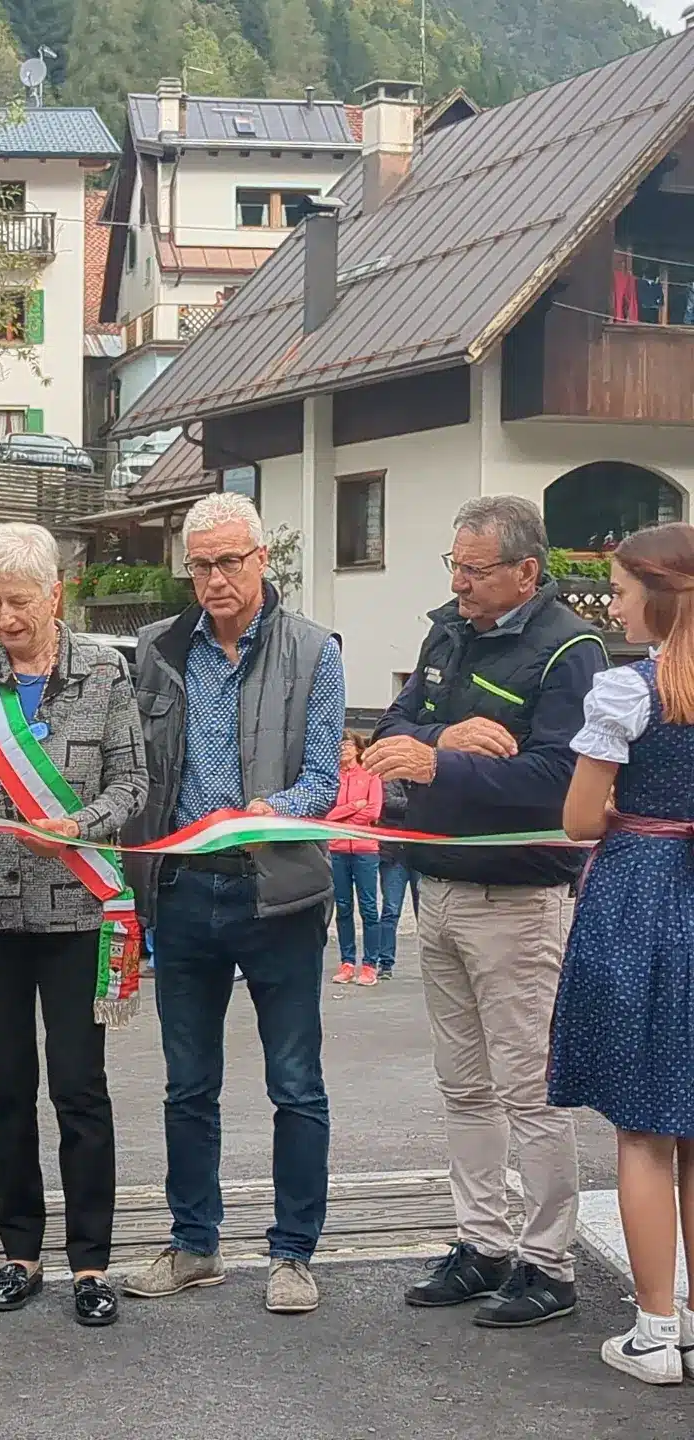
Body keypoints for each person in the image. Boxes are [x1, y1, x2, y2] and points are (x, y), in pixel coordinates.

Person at [365, 494, 605, 1328]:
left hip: (518, 899)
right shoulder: (451, 628)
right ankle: (482, 1243)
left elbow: (557, 782)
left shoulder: (570, 651)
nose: (459, 584)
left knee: (529, 1092)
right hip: (440, 886)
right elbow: (399, 723)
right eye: (454, 567)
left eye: (474, 570)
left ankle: (549, 1263)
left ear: (525, 572)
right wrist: (442, 741)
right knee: (464, 1086)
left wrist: (439, 761)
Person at [0, 522, 148, 1327]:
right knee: (5, 1090)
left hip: (76, 910)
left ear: (57, 593)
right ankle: (20, 1250)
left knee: (79, 1091)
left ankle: (92, 1262)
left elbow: (133, 784)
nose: (5, 618)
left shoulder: (107, 671)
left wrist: (85, 823)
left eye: (20, 601)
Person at [122, 491, 344, 1316]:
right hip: (183, 895)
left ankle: (292, 1254)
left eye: (228, 562)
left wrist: (269, 811)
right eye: (200, 565)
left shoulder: (315, 650)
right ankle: (194, 1244)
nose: (214, 579)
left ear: (261, 560)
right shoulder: (154, 650)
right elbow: (138, 773)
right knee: (188, 1086)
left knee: (295, 1083)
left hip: (276, 891)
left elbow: (322, 781)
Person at [549, 523, 694, 1384]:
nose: (612, 603)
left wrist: (630, 821)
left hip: (641, 897)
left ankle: (653, 1330)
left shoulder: (626, 692)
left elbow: (575, 819)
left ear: (659, 596)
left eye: (620, 589)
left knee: (644, 1132)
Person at [327, 731, 383, 987]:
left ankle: (371, 964)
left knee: (369, 908)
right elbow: (326, 815)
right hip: (337, 849)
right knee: (343, 908)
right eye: (340, 745)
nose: (343, 749)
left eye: (348, 744)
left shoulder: (371, 776)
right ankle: (347, 962)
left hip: (365, 850)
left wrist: (344, 820)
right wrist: (352, 808)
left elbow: (373, 810)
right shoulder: (331, 779)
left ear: (359, 749)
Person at [372, 779, 419, 979]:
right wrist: (415, 803)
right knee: (391, 910)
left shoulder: (422, 780)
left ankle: (432, 962)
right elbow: (389, 803)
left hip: (419, 856)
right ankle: (386, 962)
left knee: (425, 912)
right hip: (393, 856)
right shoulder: (388, 779)